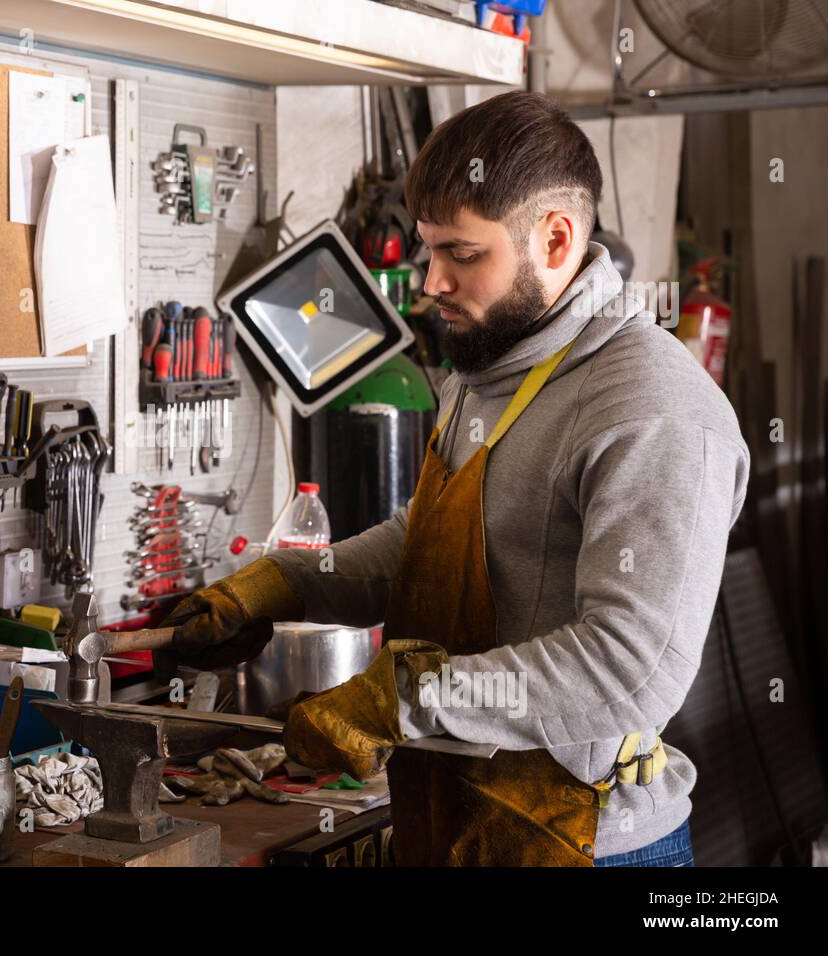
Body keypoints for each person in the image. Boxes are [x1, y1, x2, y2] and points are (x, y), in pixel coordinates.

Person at [163, 90, 749, 866]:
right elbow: (437, 537)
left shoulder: (653, 410)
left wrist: (402, 699)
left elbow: (628, 671)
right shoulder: (490, 366)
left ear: (556, 238)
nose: (430, 281)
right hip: (454, 820)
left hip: (585, 846)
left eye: (462, 255)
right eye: (427, 248)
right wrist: (283, 585)